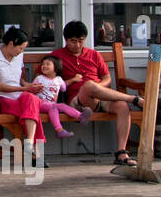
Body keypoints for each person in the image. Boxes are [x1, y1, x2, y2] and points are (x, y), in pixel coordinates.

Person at [52, 20, 143, 166]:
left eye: (81, 41)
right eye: (73, 41)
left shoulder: (94, 55)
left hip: (101, 97)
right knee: (88, 85)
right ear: (66, 40)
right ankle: (134, 99)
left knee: (121, 106)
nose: (77, 45)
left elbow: (107, 77)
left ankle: (121, 152)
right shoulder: (57, 57)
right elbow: (46, 79)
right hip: (77, 102)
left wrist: (97, 88)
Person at [0, 26, 47, 164]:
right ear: (11, 43)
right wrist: (23, 89)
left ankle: (29, 141)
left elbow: (20, 80)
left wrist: (29, 86)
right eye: (21, 48)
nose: (22, 51)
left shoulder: (19, 56)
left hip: (19, 95)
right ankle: (36, 153)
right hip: (1, 97)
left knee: (32, 99)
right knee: (32, 110)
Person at [32, 55, 91, 139]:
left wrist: (74, 79)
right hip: (39, 104)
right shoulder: (39, 78)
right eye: (43, 64)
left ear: (56, 68)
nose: (44, 66)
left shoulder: (59, 79)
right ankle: (59, 130)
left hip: (52, 105)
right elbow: (32, 90)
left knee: (61, 106)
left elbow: (63, 88)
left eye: (48, 64)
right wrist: (36, 88)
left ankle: (80, 116)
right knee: (54, 107)